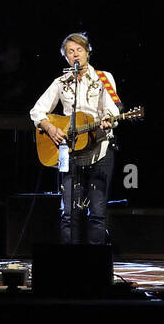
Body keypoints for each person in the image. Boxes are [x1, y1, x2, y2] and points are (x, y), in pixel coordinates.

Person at [30, 33, 120, 245]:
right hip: (70, 153)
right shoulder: (61, 82)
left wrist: (109, 119)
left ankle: (94, 268)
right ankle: (69, 266)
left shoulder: (104, 78)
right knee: (68, 214)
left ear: (87, 52)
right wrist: (51, 128)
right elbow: (37, 111)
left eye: (79, 49)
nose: (75, 54)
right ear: (66, 58)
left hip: (100, 150)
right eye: (70, 51)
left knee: (97, 214)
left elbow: (113, 110)